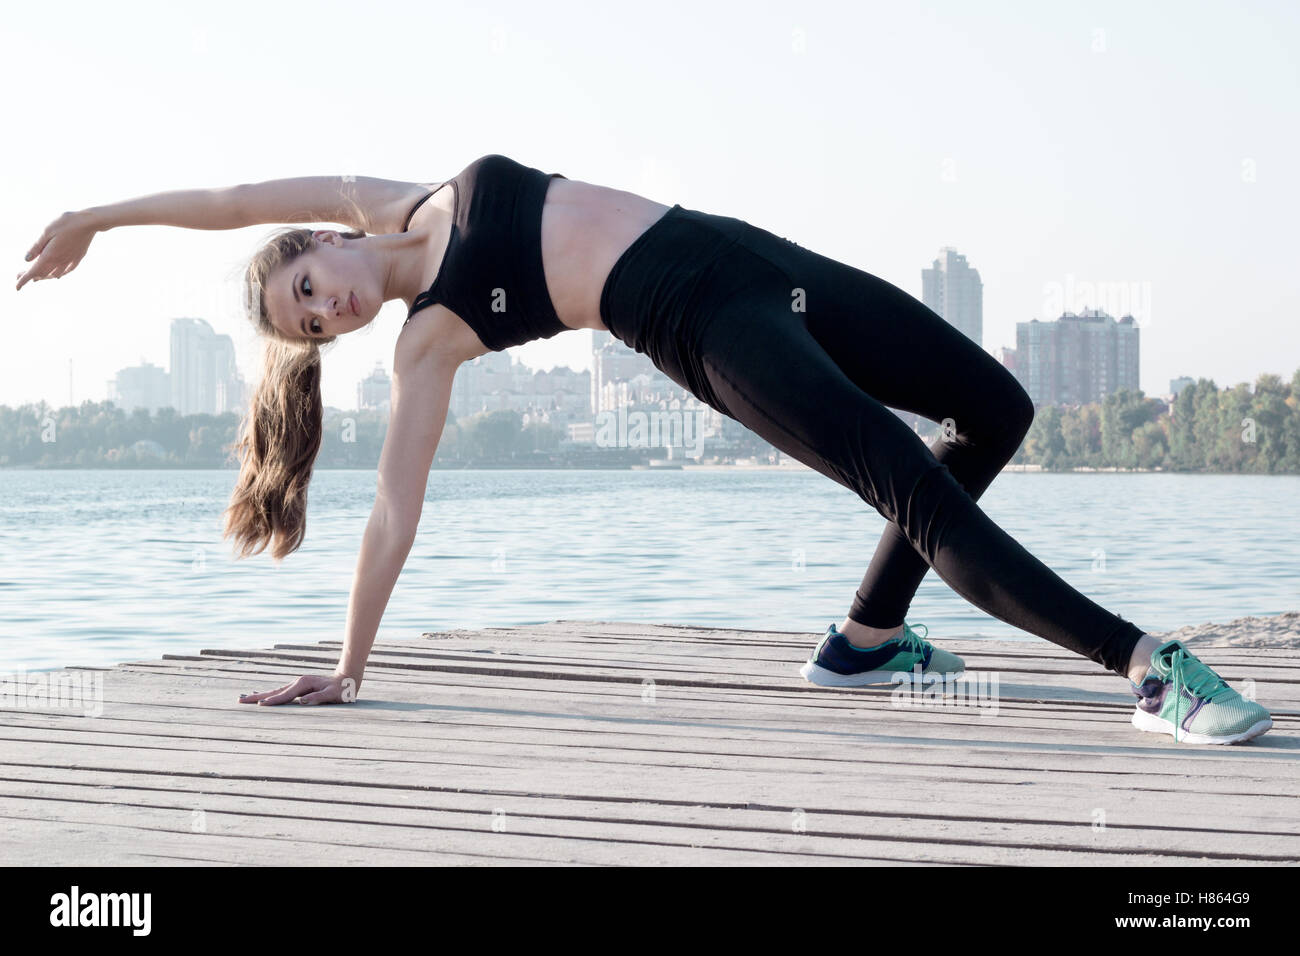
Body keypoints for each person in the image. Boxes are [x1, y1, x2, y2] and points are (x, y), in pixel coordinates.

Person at [17, 154, 1272, 745]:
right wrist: (349, 665)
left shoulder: (380, 195)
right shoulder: (429, 341)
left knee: (995, 406)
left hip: (749, 253)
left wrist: (100, 216)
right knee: (904, 471)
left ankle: (862, 641)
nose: (326, 310)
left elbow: (232, 199)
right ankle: (1146, 668)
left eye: (309, 287)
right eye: (310, 326)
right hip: (700, 325)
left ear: (318, 243)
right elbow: (396, 509)